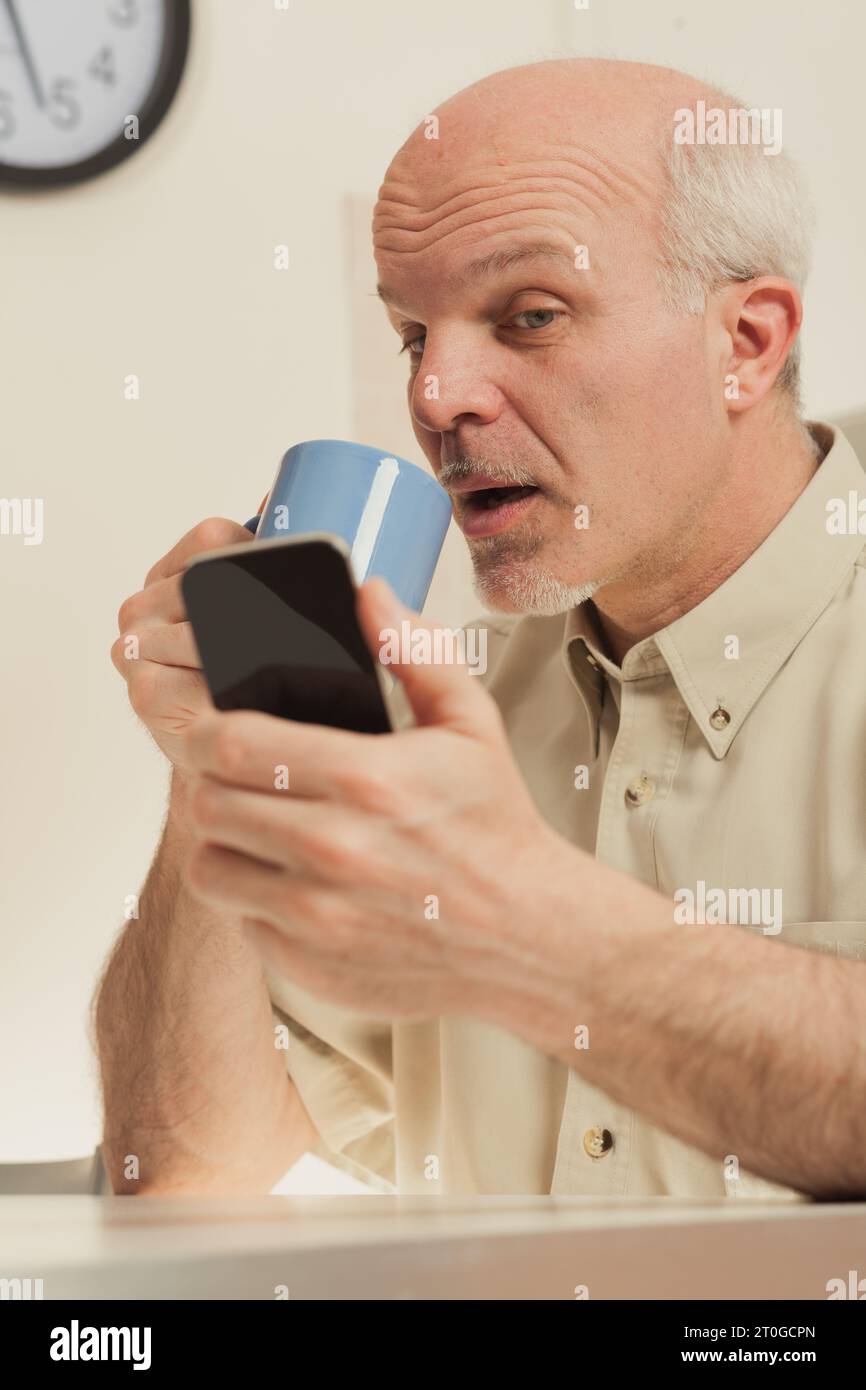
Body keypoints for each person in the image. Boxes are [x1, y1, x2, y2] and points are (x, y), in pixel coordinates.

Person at [96, 57, 866, 1200]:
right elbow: (177, 1170)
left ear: (745, 344)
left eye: (530, 316)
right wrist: (222, 751)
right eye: (413, 333)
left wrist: (523, 921)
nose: (435, 393)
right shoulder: (430, 725)